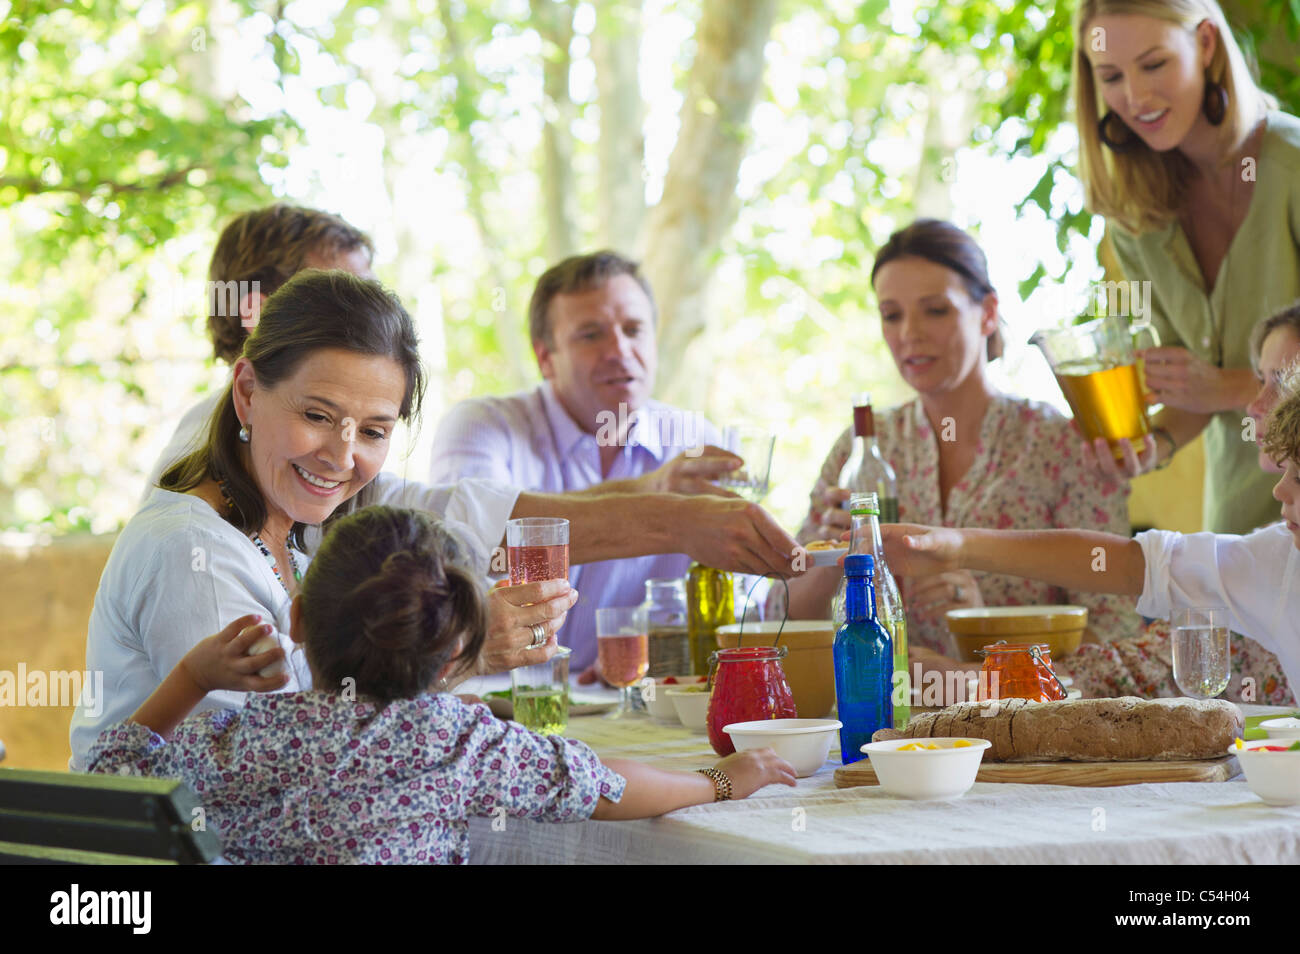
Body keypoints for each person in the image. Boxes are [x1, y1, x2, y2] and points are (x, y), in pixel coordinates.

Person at [72, 270, 799, 770]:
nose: (341, 455)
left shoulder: (305, 518)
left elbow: (467, 516)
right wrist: (466, 654)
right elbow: (286, 766)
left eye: (375, 430)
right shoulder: (190, 551)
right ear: (247, 392)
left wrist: (684, 521)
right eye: (317, 416)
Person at [85, 506, 796, 864]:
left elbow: (111, 770)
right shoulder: (463, 742)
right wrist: (721, 780)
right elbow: (607, 785)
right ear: (459, 647)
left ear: (297, 619)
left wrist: (188, 676)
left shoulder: (255, 735)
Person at [783, 220, 1141, 659]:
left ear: (988, 312)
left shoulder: (1058, 444)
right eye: (891, 315)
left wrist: (983, 629)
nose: (909, 332)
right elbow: (792, 619)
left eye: (935, 309)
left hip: (1015, 719)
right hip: (886, 715)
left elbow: (1114, 632)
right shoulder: (860, 446)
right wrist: (830, 553)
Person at [879, 369, 1300, 697]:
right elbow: (1122, 565)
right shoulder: (1277, 561)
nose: (1280, 489)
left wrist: (974, 680)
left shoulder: (1047, 437)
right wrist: (958, 546)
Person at [429, 251, 745, 671]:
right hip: (505, 711)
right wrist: (652, 497)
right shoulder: (483, 426)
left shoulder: (694, 442)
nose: (620, 350)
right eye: (591, 335)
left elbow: (740, 602)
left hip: (639, 705)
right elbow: (467, 553)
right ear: (545, 358)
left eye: (634, 330)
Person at [1071, 0, 1300, 533]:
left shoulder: (1291, 166)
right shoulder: (1136, 219)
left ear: (1204, 42)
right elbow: (1189, 393)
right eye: (1111, 76)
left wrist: (1221, 386)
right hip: (1238, 530)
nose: (1135, 97)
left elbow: (1210, 386)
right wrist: (1153, 448)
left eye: (1154, 65)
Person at [1049, 305, 1300, 703]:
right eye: (1258, 380)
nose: (1254, 405)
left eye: (1284, 382)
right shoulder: (1276, 558)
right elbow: (1137, 566)